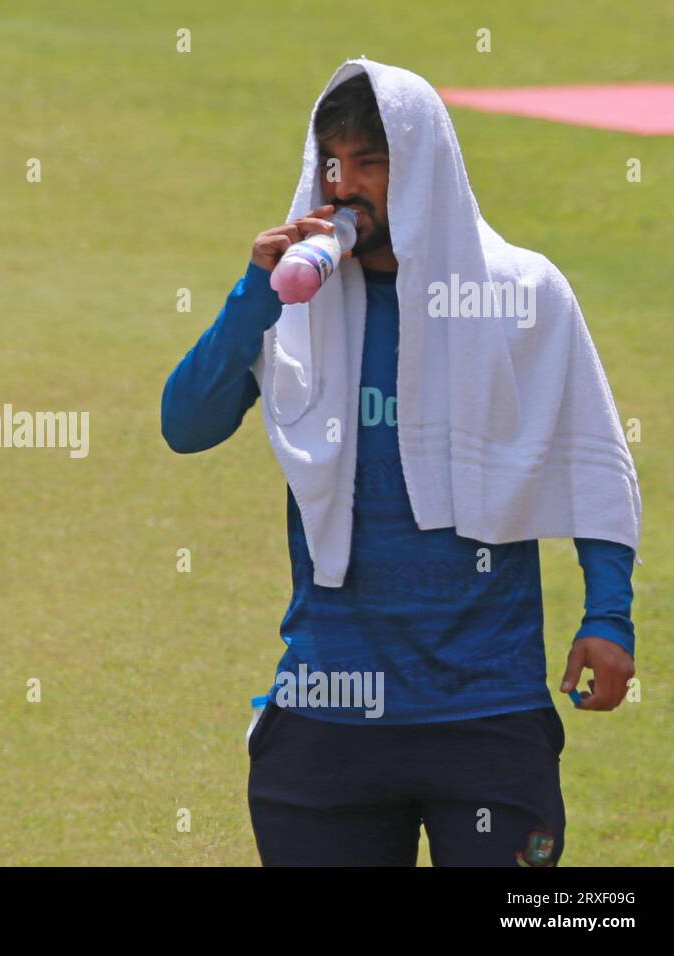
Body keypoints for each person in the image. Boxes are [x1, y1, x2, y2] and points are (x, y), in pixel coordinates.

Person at [161, 60, 640, 866]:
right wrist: (255, 294)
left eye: (369, 162)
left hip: (486, 712)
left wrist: (608, 614)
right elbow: (187, 424)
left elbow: (589, 450)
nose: (345, 184)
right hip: (329, 710)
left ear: (422, 167)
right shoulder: (295, 306)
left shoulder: (524, 293)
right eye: (331, 161)